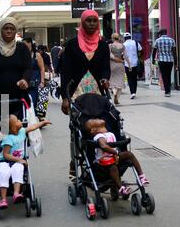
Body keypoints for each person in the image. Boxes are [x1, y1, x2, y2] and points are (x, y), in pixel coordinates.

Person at [61, 10, 111, 178]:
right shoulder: (72, 45)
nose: (91, 24)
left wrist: (105, 78)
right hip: (76, 93)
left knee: (100, 125)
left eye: (94, 21)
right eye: (88, 21)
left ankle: (99, 160)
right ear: (82, 23)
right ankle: (74, 161)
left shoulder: (103, 45)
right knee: (78, 128)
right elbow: (66, 71)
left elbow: (105, 66)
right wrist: (65, 97)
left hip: (97, 92)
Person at [0, 17, 32, 118]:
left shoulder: (22, 48)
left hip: (18, 96)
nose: (9, 31)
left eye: (12, 29)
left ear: (15, 31)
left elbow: (27, 68)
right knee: (2, 130)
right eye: (6, 28)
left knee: (19, 130)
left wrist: (25, 79)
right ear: (1, 30)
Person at [0, 115, 51, 209]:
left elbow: (33, 127)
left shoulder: (22, 131)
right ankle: (3, 199)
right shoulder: (8, 139)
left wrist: (42, 123)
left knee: (18, 170)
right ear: (13, 128)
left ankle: (16, 194)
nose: (20, 120)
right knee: (3, 173)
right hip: (5, 161)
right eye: (17, 120)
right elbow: (6, 155)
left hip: (17, 162)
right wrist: (19, 159)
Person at [85, 118, 149, 196]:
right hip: (103, 160)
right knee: (113, 167)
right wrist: (115, 152)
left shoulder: (109, 133)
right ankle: (121, 187)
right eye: (95, 121)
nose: (97, 119)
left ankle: (141, 176)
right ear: (94, 130)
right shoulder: (99, 136)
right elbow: (104, 146)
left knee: (129, 154)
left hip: (114, 157)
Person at [152, 29, 177, 97]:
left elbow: (154, 51)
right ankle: (168, 90)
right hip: (170, 61)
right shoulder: (172, 40)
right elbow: (174, 53)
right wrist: (176, 63)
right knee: (168, 75)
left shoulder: (157, 40)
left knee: (164, 76)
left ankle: (167, 91)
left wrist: (153, 60)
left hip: (161, 61)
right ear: (166, 32)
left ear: (160, 33)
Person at [22, 36, 44, 110]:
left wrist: (42, 82)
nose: (24, 46)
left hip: (35, 84)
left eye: (25, 44)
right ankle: (27, 120)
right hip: (24, 84)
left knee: (33, 104)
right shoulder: (22, 55)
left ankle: (33, 119)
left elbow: (42, 69)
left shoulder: (36, 55)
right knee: (24, 105)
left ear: (30, 43)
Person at [109, 33, 130, 105]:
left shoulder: (110, 46)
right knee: (120, 82)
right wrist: (129, 65)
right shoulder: (122, 46)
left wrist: (115, 59)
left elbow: (110, 55)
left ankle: (114, 93)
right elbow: (126, 56)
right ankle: (117, 98)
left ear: (112, 38)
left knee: (113, 81)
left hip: (112, 65)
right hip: (120, 65)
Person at [123, 32, 142, 99]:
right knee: (134, 78)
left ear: (124, 38)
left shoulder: (124, 44)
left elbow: (123, 55)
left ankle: (132, 93)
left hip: (127, 64)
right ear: (130, 37)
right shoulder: (136, 43)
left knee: (129, 78)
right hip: (135, 63)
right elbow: (140, 50)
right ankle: (134, 92)